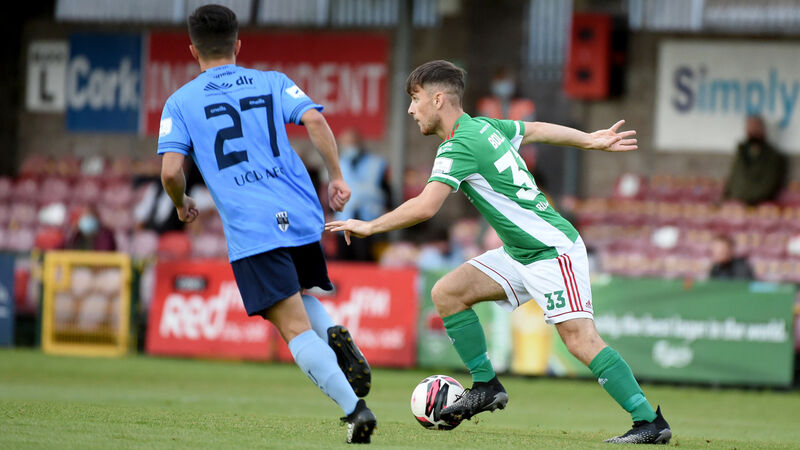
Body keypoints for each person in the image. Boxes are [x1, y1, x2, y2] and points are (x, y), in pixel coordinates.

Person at [327, 60, 671, 444]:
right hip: (518, 253)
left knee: (580, 341)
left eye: (415, 98)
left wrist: (371, 226)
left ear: (438, 99)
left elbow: (426, 206)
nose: (411, 109)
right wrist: (588, 139)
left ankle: (649, 422)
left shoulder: (459, 145)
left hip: (551, 251)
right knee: (447, 293)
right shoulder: (485, 127)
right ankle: (486, 385)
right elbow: (536, 130)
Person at [156, 5, 375, 444]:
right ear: (238, 45)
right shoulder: (273, 81)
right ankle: (332, 330)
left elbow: (169, 171)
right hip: (301, 213)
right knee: (296, 301)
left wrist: (182, 204)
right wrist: (337, 176)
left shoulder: (180, 102)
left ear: (192, 50)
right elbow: (313, 118)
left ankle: (356, 411)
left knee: (290, 325)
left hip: (253, 226)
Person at [334, 128, 391, 261]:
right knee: (344, 259)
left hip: (370, 218)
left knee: (366, 258)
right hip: (344, 218)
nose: (349, 145)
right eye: (345, 142)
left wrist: (388, 210)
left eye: (352, 141)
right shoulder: (338, 164)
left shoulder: (377, 163)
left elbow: (387, 189)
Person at [722, 115, 788, 205]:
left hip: (757, 206)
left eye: (756, 127)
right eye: (750, 127)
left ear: (763, 129)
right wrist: (728, 199)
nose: (753, 131)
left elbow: (768, 186)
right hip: (736, 204)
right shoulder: (742, 152)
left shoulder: (773, 157)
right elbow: (732, 180)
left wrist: (745, 201)